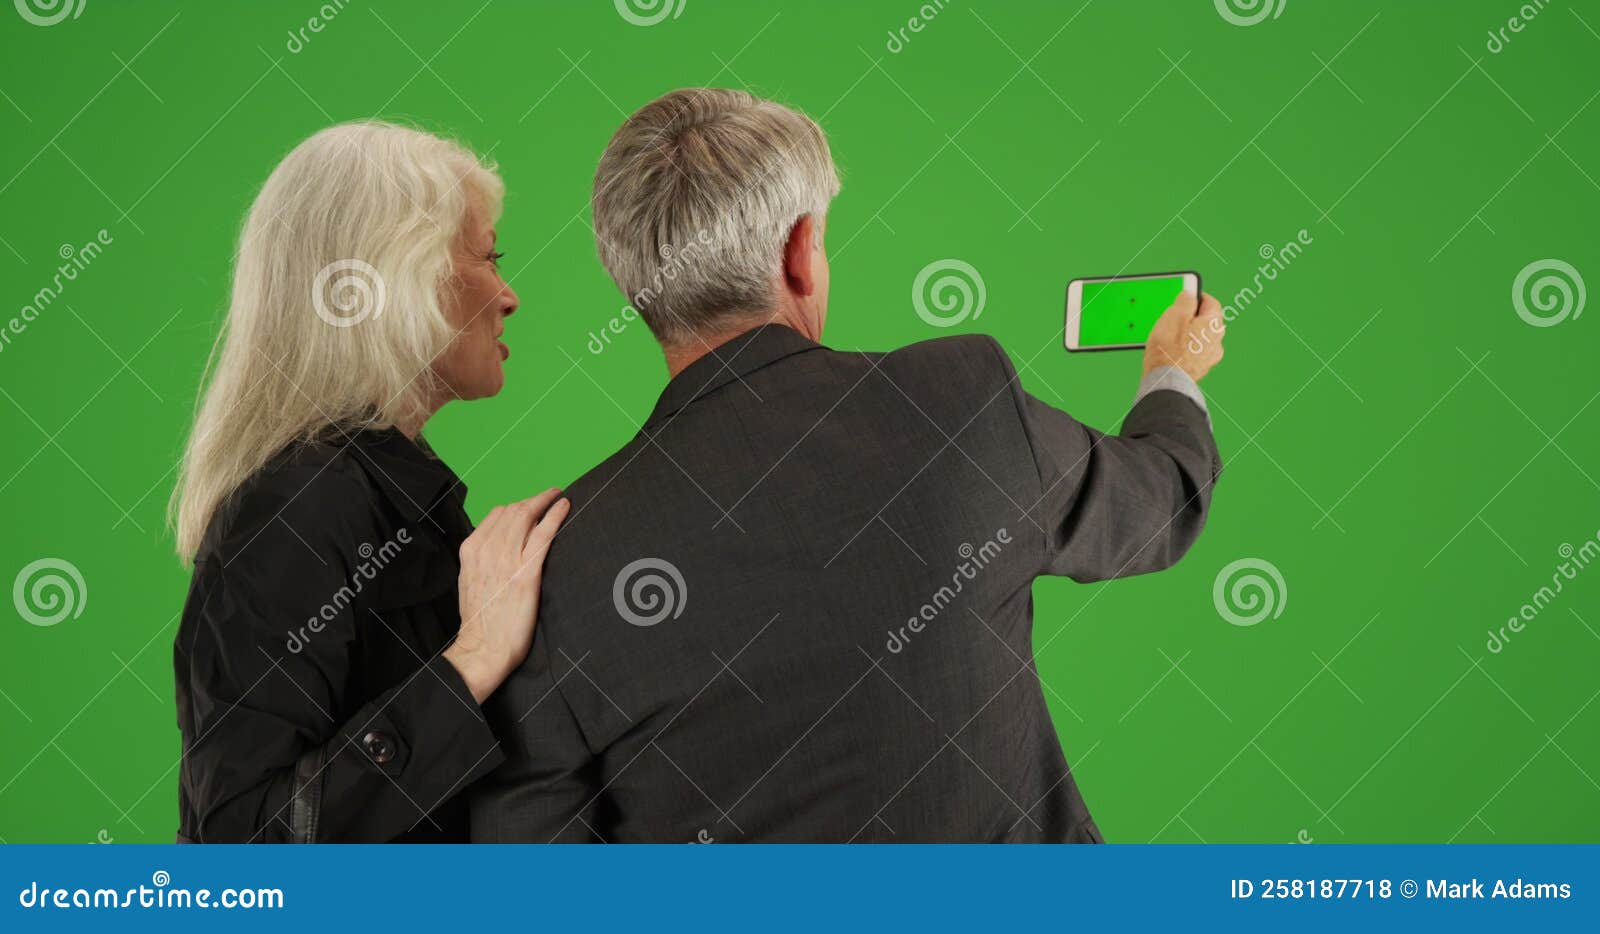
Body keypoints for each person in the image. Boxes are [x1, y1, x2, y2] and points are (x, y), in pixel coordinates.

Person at [471, 89, 1225, 842]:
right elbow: (1165, 499)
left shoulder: (548, 569)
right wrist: (1172, 370)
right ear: (800, 252)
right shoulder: (958, 401)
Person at [170, 121, 568, 842]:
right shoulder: (297, 509)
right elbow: (248, 849)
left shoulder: (387, 494)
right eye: (488, 256)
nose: (508, 296)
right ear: (398, 273)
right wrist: (471, 661)